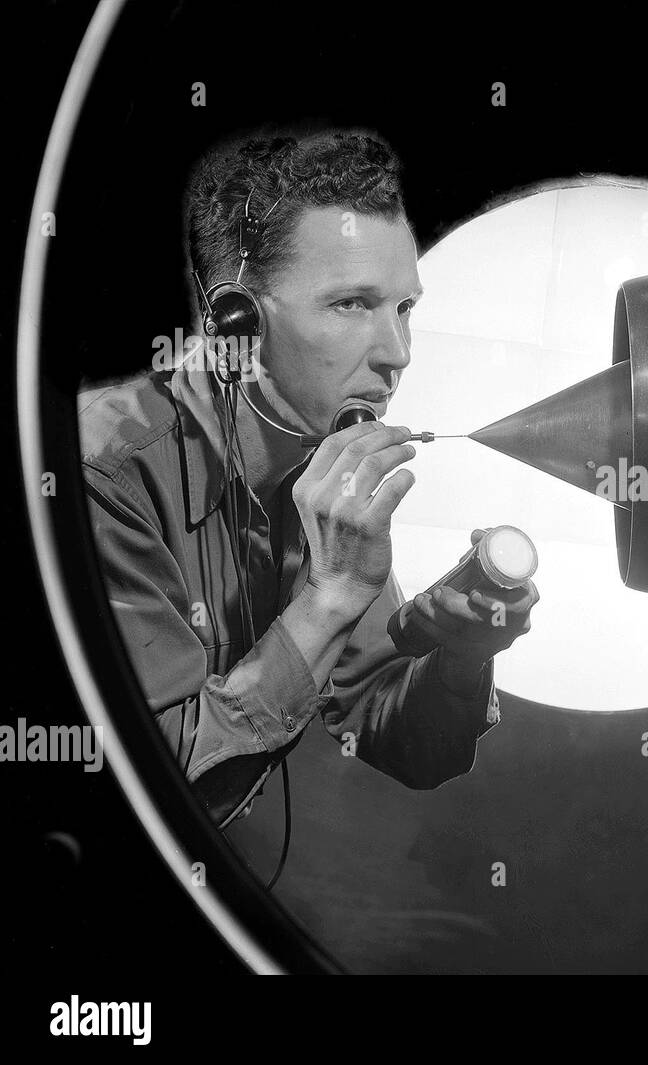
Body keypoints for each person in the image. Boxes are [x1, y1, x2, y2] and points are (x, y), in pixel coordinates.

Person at [77, 128, 537, 828]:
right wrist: (329, 597)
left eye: (403, 307)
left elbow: (393, 730)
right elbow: (151, 797)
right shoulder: (102, 476)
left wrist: (459, 658)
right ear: (236, 322)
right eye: (350, 304)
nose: (397, 354)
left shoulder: (321, 458)